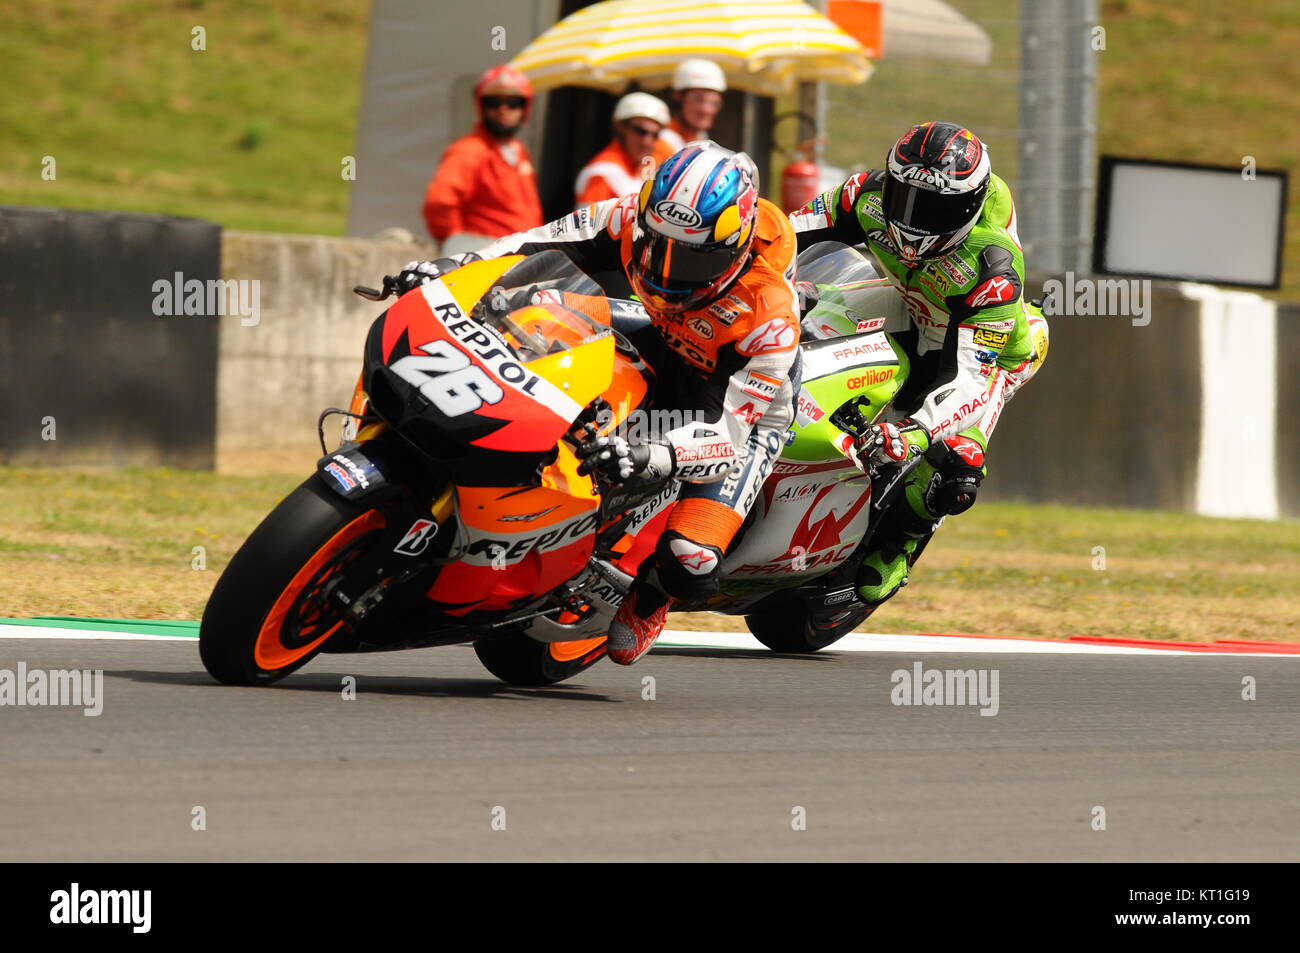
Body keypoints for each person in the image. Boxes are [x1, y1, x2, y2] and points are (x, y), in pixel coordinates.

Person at [392, 143, 801, 665]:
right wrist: (446, 269)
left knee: (691, 563)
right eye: (657, 246)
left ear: (736, 248)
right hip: (659, 335)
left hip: (735, 409)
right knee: (532, 307)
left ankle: (651, 595)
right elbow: (528, 245)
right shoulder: (625, 214)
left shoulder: (770, 314)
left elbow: (729, 434)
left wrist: (654, 458)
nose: (668, 271)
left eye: (693, 258)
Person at [790, 121, 1050, 607]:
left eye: (935, 209)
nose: (914, 220)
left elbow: (972, 377)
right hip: (905, 297)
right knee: (802, 312)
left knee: (955, 459)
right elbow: (781, 237)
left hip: (984, 346)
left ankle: (901, 542)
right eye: (906, 200)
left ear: (968, 207)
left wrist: (917, 432)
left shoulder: (993, 263)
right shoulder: (861, 195)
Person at [421, 65, 543, 255]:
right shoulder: (469, 150)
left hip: (517, 253)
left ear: (524, 109)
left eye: (513, 103)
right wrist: (459, 245)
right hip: (485, 253)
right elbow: (440, 202)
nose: (503, 110)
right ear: (481, 106)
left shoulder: (518, 151)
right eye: (493, 103)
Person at [573, 92, 673, 207]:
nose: (647, 142)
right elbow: (588, 223)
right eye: (640, 131)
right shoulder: (602, 173)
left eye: (655, 135)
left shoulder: (643, 168)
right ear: (621, 127)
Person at [658, 59, 727, 153]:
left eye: (714, 103)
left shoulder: (701, 139)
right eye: (698, 99)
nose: (707, 110)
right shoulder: (662, 141)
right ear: (678, 97)